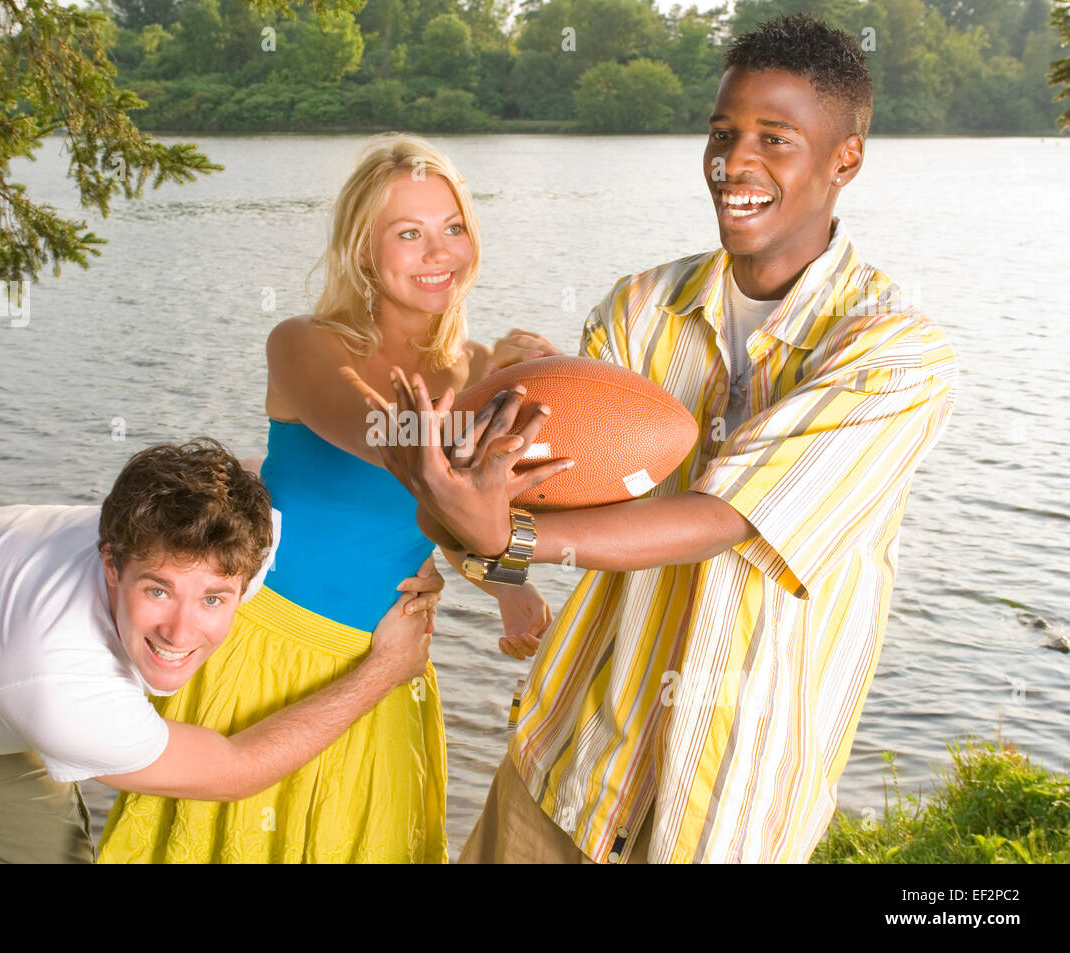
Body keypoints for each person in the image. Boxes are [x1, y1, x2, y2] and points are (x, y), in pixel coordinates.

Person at [367, 15, 958, 863]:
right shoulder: (638, 310)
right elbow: (530, 515)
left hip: (732, 811)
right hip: (567, 770)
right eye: (723, 133)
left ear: (846, 158)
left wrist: (511, 531)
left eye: (774, 139)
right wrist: (455, 501)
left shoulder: (898, 355)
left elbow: (727, 519)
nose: (735, 162)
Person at [96, 135, 556, 864]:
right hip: (263, 650)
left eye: (453, 227)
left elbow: (447, 509)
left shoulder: (474, 370)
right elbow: (392, 442)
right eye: (409, 233)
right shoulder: (305, 343)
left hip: (388, 660)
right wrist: (505, 399)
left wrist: (506, 577)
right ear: (363, 252)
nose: (439, 252)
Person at [0, 438, 440, 863]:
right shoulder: (61, 681)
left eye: (213, 598)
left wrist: (414, 566)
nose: (181, 632)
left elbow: (295, 495)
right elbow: (234, 769)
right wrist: (385, 668)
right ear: (112, 563)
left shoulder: (244, 533)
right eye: (158, 590)